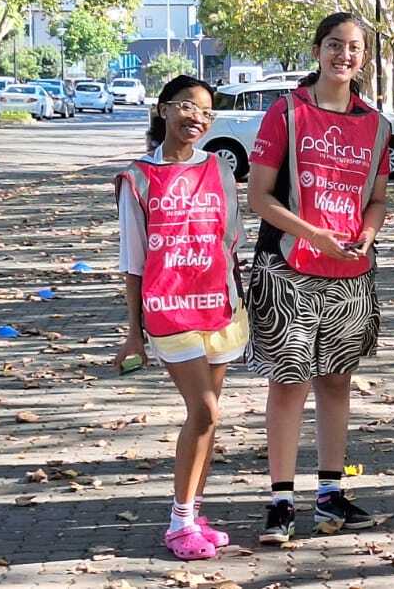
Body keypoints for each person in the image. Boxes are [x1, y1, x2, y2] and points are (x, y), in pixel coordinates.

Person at [244, 13, 392, 544]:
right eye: (334, 45)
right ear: (317, 49)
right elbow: (258, 197)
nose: (344, 56)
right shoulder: (284, 113)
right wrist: (314, 234)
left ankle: (331, 497)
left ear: (364, 58)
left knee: (336, 381)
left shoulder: (376, 125)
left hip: (349, 272)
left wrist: (368, 233)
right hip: (287, 269)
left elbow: (375, 199)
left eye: (354, 48)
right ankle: (280, 502)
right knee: (289, 384)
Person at [114, 75, 249, 560]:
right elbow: (133, 261)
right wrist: (133, 333)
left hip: (219, 307)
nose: (196, 118)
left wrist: (241, 302)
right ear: (164, 110)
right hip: (168, 311)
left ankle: (194, 515)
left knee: (209, 419)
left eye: (206, 113)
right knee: (204, 411)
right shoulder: (138, 178)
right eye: (187, 107)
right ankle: (178, 523)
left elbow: (229, 242)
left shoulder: (219, 169)